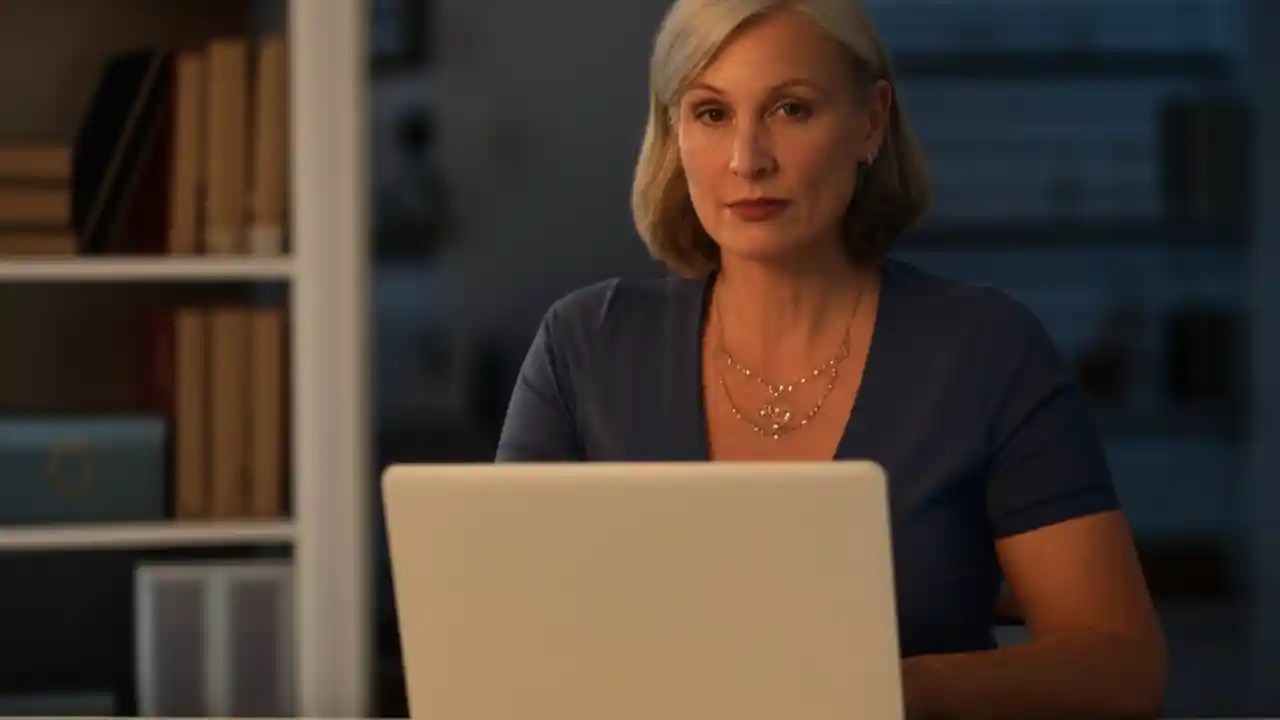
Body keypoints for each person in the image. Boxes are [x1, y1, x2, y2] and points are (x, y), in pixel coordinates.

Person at [496, 0, 1168, 716]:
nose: (747, 159)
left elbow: (1122, 667)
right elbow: (497, 650)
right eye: (711, 113)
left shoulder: (986, 350)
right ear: (672, 134)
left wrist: (886, 690)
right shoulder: (583, 346)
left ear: (871, 122)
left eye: (790, 109)